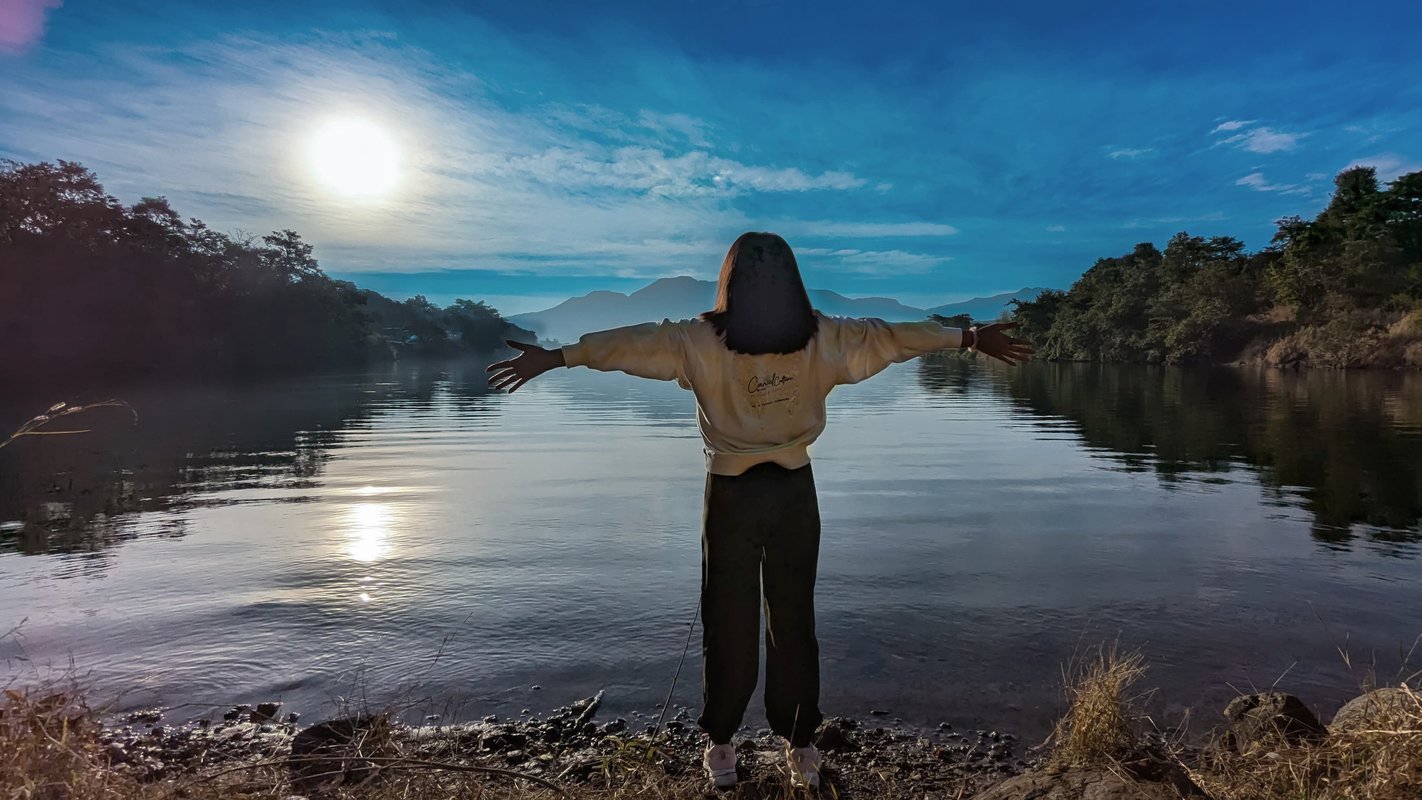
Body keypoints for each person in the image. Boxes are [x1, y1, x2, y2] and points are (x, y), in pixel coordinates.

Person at [485, 232, 1033, 791]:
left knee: (729, 619)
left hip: (731, 495)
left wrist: (558, 356)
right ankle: (799, 748)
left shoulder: (696, 340)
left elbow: (630, 344)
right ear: (791, 280)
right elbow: (891, 337)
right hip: (795, 489)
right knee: (793, 620)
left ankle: (721, 748)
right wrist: (967, 336)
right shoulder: (825, 338)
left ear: (730, 280)